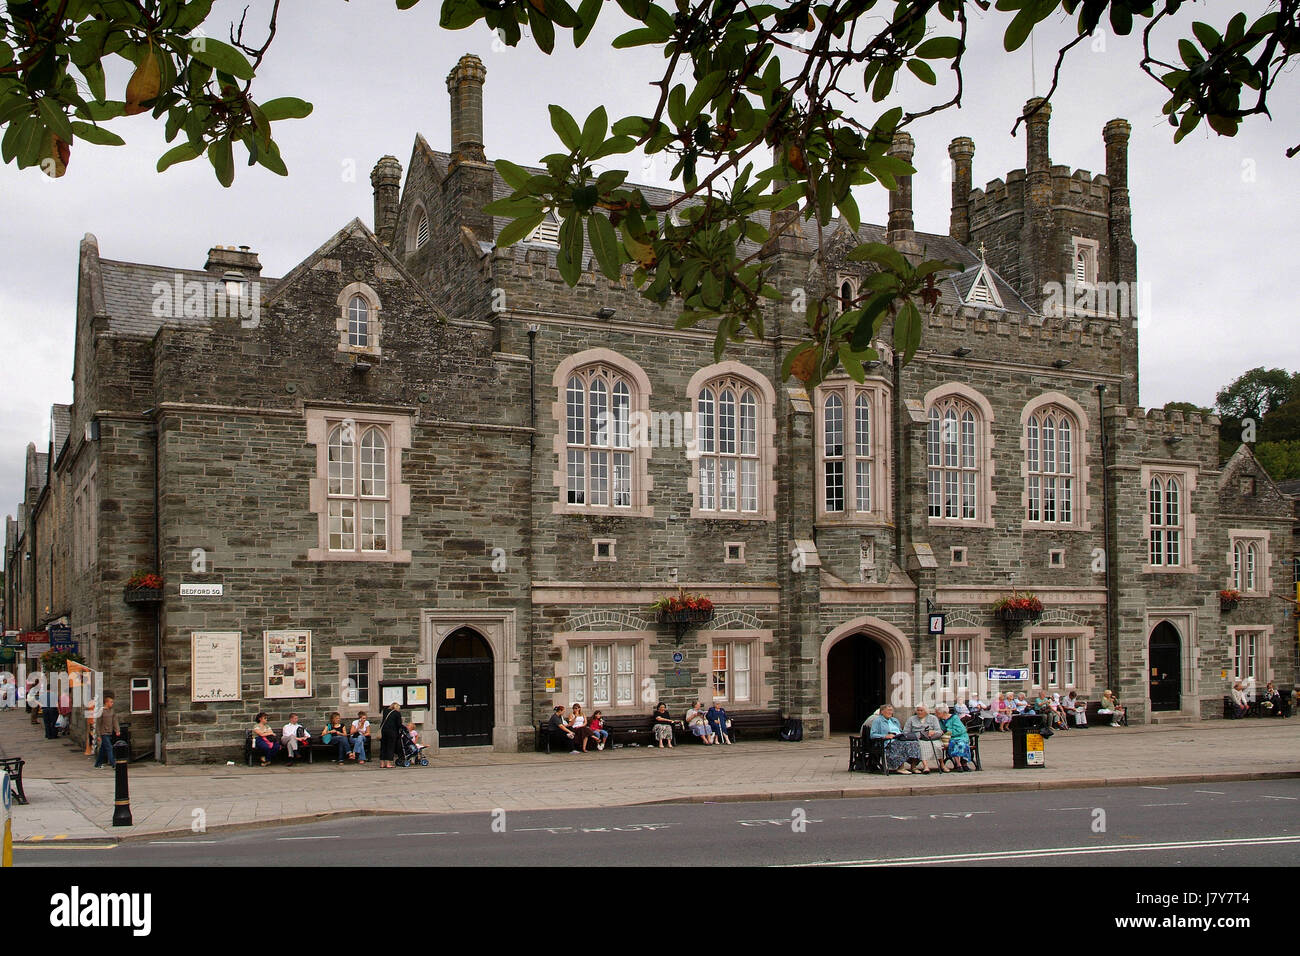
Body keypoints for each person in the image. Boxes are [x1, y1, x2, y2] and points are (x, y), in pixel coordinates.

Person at [870, 704, 923, 774]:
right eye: (888, 710)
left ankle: (913, 767)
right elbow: (872, 735)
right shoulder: (878, 721)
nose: (890, 712)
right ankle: (900, 767)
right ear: (882, 712)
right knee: (901, 745)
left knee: (914, 743)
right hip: (887, 742)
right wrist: (885, 736)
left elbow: (900, 731)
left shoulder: (894, 720)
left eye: (891, 710)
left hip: (899, 738)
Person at [902, 704, 944, 773]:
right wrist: (917, 734)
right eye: (918, 710)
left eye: (921, 710)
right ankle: (925, 766)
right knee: (922, 745)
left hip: (932, 738)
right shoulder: (911, 719)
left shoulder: (933, 718)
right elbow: (905, 732)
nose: (919, 712)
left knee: (938, 745)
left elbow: (939, 731)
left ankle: (942, 765)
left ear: (926, 711)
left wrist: (933, 732)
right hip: (919, 739)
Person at [936, 704, 975, 772]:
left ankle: (964, 763)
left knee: (959, 743)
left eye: (937, 713)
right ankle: (959, 764)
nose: (936, 714)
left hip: (961, 736)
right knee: (953, 742)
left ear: (944, 712)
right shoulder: (940, 720)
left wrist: (947, 731)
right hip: (949, 739)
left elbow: (961, 730)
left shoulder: (954, 718)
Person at [93, 694, 121, 769]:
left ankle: (97, 763)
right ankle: (113, 764)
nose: (112, 703)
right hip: (103, 732)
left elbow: (115, 721)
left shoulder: (112, 711)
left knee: (103, 749)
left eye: (112, 702)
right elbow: (98, 724)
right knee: (109, 747)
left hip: (110, 732)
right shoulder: (101, 711)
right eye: (111, 702)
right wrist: (98, 735)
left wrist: (117, 730)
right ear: (106, 702)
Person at [379, 701, 403, 768]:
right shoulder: (397, 713)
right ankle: (388, 763)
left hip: (383, 731)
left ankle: (382, 763)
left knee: (383, 747)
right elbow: (399, 724)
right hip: (392, 732)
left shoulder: (385, 711)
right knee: (390, 747)